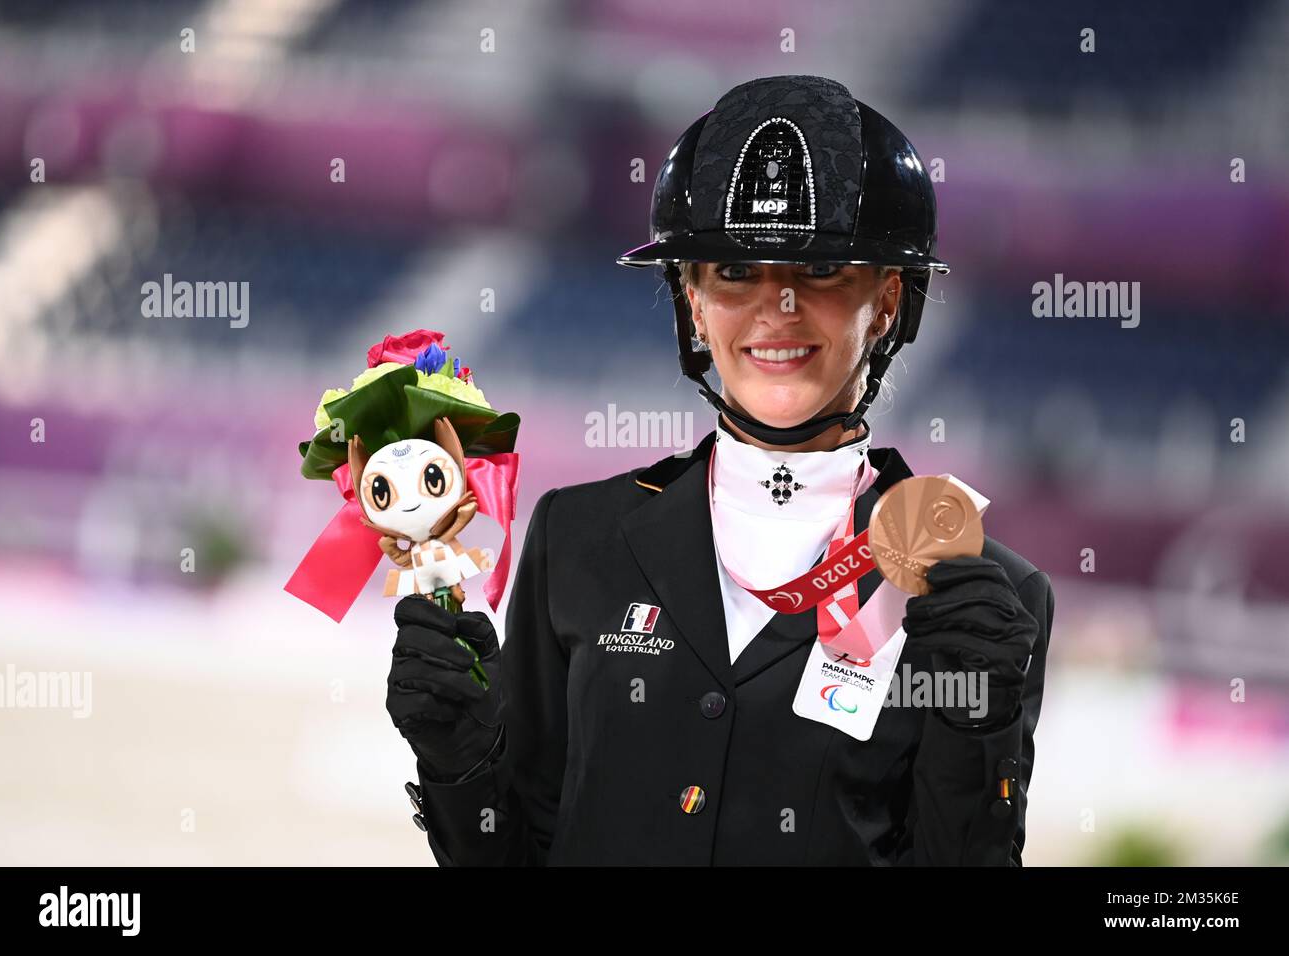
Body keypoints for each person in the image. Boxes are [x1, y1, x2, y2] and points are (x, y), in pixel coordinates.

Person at [386, 75, 1055, 865]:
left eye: (825, 270)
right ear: (693, 301)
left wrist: (979, 732)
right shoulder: (576, 537)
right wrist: (460, 761)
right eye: (736, 272)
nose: (779, 305)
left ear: (889, 299)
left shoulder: (986, 597)